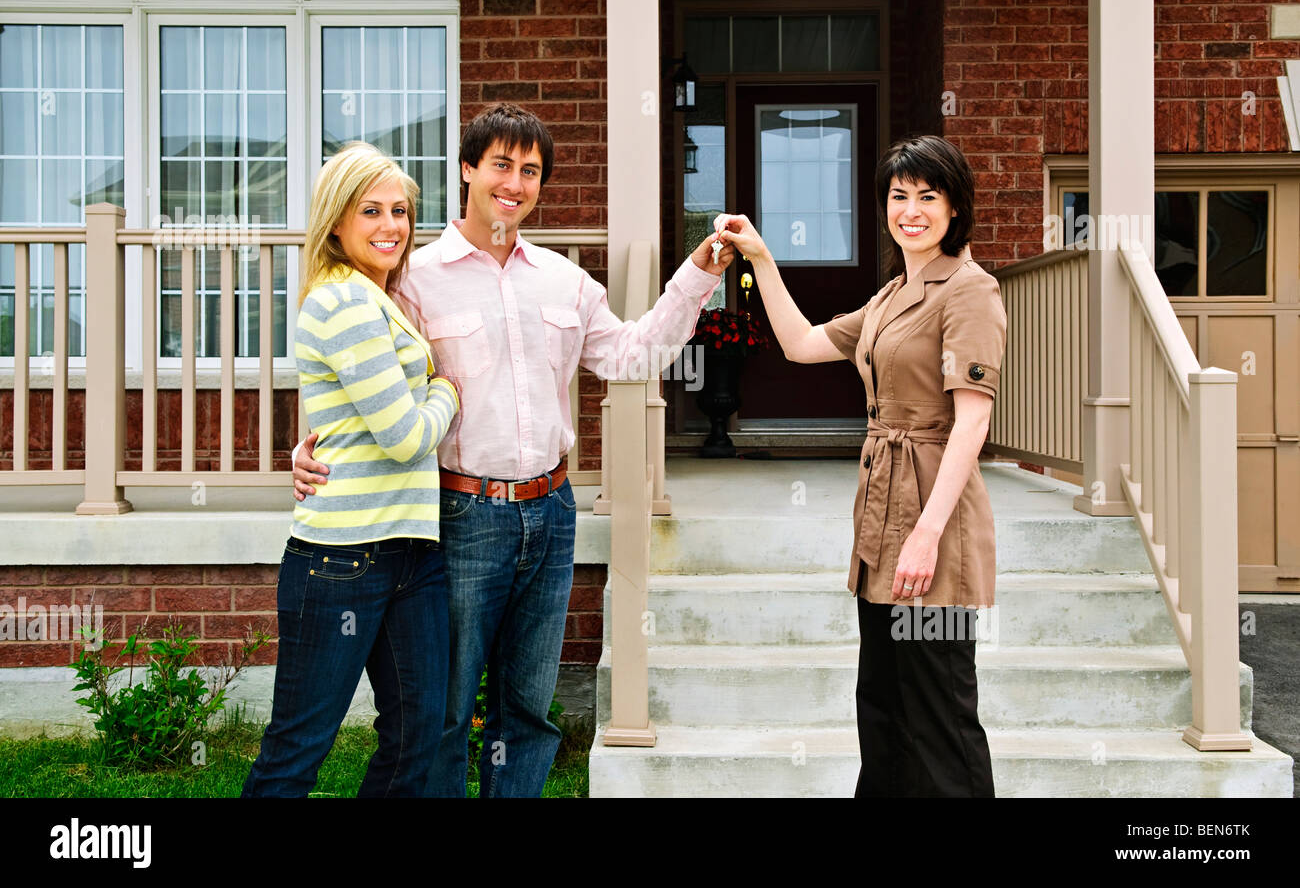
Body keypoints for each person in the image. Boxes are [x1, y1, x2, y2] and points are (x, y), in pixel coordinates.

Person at [293, 103, 735, 797]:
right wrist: (310, 443)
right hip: (461, 515)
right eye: (501, 163)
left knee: (526, 710)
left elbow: (631, 353)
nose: (515, 181)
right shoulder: (411, 277)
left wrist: (697, 275)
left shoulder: (562, 281)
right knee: (442, 712)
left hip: (551, 513)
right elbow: (358, 374)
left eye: (530, 170)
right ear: (467, 169)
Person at [717, 134, 1007, 798]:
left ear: (955, 207)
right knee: (882, 705)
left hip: (935, 520)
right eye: (899, 195)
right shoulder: (890, 296)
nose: (911, 208)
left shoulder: (969, 290)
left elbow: (973, 420)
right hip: (881, 520)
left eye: (927, 196)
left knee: (939, 715)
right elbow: (799, 343)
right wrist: (761, 258)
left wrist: (927, 535)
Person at [243, 142, 460, 797]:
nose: (391, 224)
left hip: (412, 552)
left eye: (400, 210)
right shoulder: (343, 302)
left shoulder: (379, 296)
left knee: (416, 733)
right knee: (298, 748)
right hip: (341, 559)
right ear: (337, 220)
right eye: (371, 210)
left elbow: (342, 417)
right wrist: (448, 387)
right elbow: (402, 436)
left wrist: (304, 450)